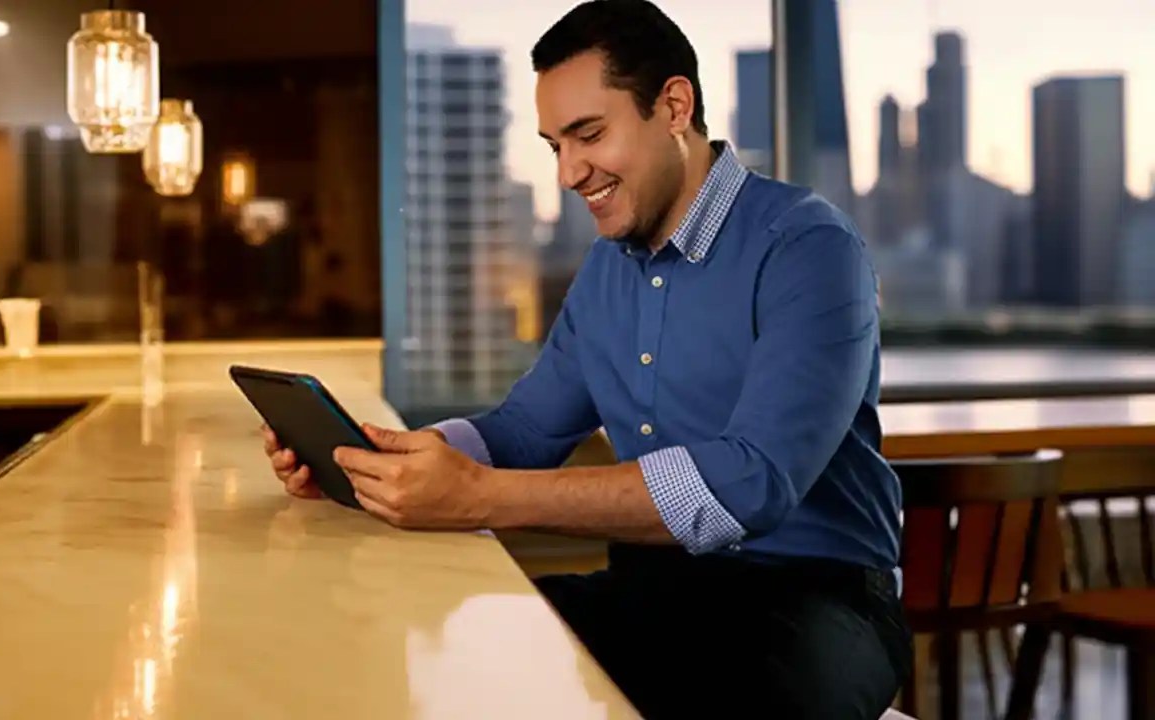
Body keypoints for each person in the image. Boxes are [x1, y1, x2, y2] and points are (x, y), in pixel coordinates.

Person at [263, 0, 910, 716]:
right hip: (649, 592)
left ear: (673, 106)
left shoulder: (808, 247)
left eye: (588, 135)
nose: (569, 173)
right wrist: (381, 461)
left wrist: (479, 496)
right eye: (553, 146)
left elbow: (748, 484)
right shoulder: (607, 271)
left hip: (816, 608)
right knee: (444, 650)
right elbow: (524, 432)